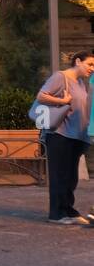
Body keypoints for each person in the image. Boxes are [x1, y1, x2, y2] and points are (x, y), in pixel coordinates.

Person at [38, 51, 94, 223]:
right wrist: (62, 102)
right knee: (59, 175)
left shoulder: (81, 83)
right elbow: (41, 96)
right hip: (60, 134)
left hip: (77, 136)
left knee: (70, 177)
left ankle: (68, 210)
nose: (92, 69)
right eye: (90, 64)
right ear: (78, 61)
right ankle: (57, 214)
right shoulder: (60, 77)